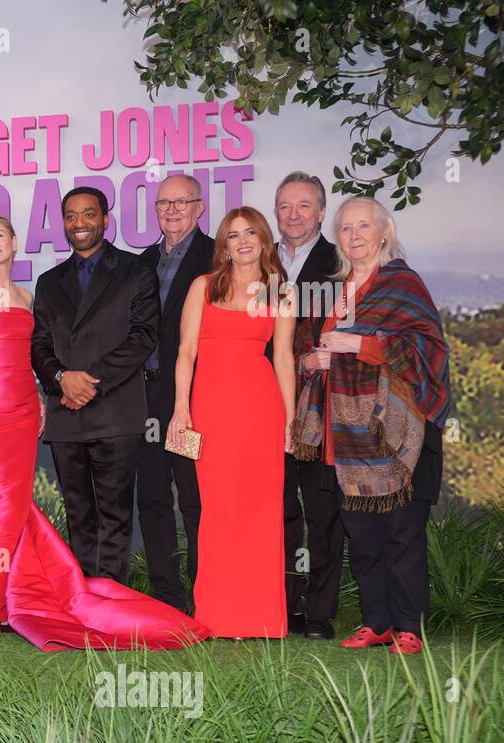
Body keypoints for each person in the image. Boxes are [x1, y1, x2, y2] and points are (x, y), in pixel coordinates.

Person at [0, 214, 208, 650]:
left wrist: (39, 401)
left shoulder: (27, 296)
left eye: (0, 236)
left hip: (27, 409)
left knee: (15, 501)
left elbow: (35, 356)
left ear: (15, 243)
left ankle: (16, 594)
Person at [295, 197, 450, 655]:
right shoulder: (334, 288)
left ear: (385, 231)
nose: (355, 235)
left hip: (394, 432)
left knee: (401, 533)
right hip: (342, 436)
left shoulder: (402, 282)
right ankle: (376, 622)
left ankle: (408, 627)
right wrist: (314, 360)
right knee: (361, 538)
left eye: (364, 226)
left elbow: (428, 349)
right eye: (346, 228)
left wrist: (359, 346)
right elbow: (308, 348)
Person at [168, 207, 297, 639]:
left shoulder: (283, 292)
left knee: (260, 511)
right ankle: (218, 616)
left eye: (250, 233)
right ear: (223, 244)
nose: (242, 241)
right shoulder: (202, 287)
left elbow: (282, 358)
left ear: (264, 240)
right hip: (208, 409)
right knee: (217, 510)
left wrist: (291, 419)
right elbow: (185, 352)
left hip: (261, 409)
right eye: (232, 235)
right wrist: (180, 408)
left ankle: (260, 618)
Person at [31, 186, 159, 584]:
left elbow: (143, 336)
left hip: (115, 412)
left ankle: (110, 599)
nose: (79, 224)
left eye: (89, 214)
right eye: (71, 216)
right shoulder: (50, 281)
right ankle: (83, 597)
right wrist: (61, 380)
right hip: (66, 414)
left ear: (105, 219)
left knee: (115, 516)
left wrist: (89, 383)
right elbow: (38, 345)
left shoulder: (135, 270)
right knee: (78, 515)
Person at [136, 175, 212, 613]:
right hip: (144, 397)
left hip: (193, 395)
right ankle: (167, 597)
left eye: (181, 202)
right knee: (152, 497)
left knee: (195, 499)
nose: (172, 210)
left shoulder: (218, 255)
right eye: (164, 202)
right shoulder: (141, 261)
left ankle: (204, 594)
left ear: (199, 208)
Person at [274, 172, 344, 640]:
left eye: (303, 206)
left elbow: (358, 327)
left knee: (322, 512)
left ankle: (319, 615)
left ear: (321, 211)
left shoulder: (341, 261)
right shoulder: (260, 262)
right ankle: (283, 607)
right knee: (278, 511)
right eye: (284, 206)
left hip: (322, 404)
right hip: (269, 401)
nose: (293, 215)